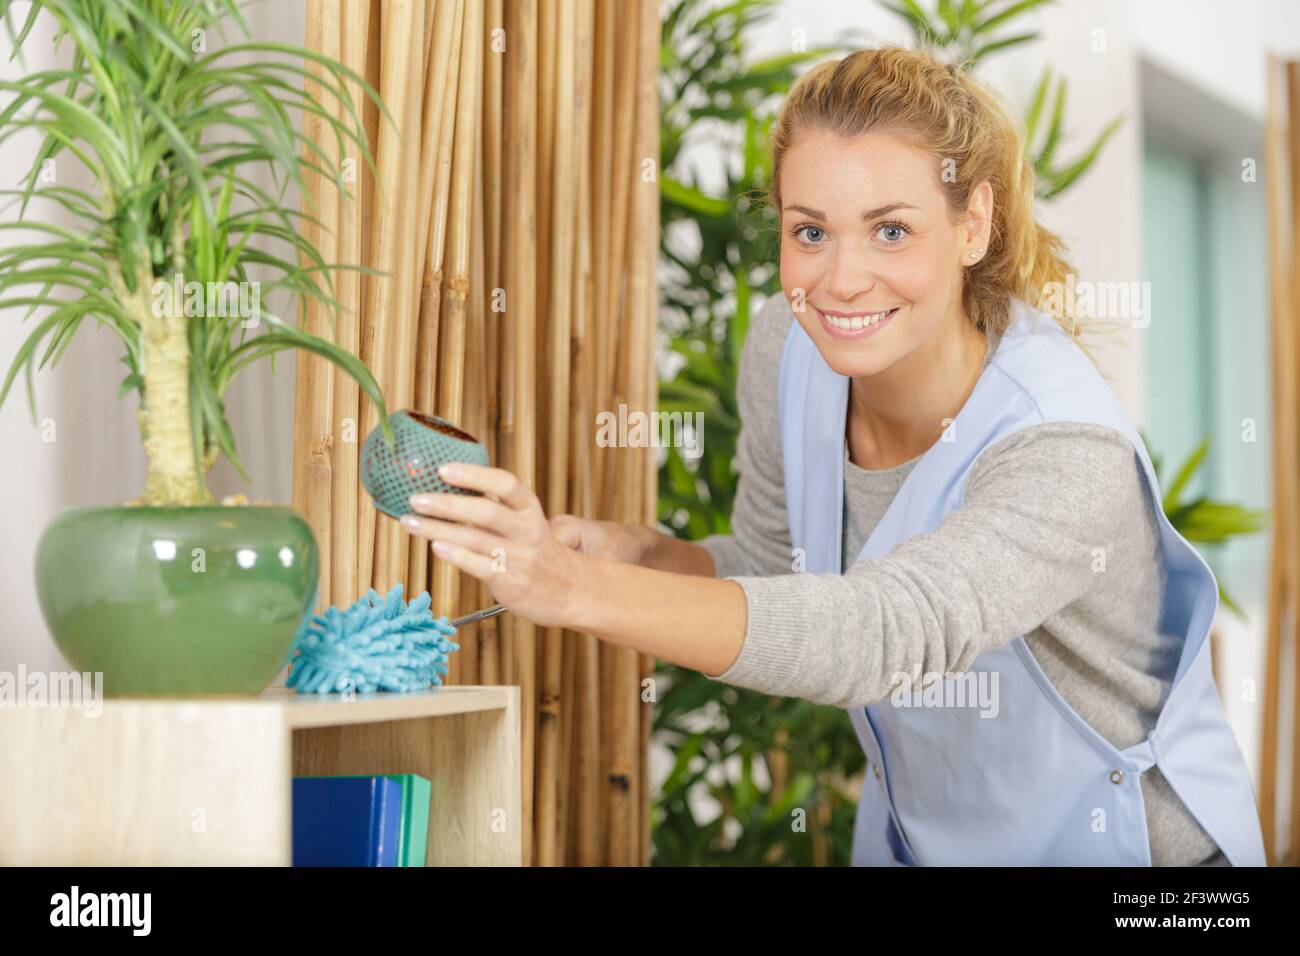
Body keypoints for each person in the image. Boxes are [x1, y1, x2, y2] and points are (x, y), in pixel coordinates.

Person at [398, 46, 1266, 867]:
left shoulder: (1064, 448)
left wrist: (574, 589)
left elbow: (881, 632)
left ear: (974, 224)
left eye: (890, 231)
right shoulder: (788, 346)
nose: (842, 279)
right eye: (810, 233)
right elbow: (781, 568)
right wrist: (646, 557)